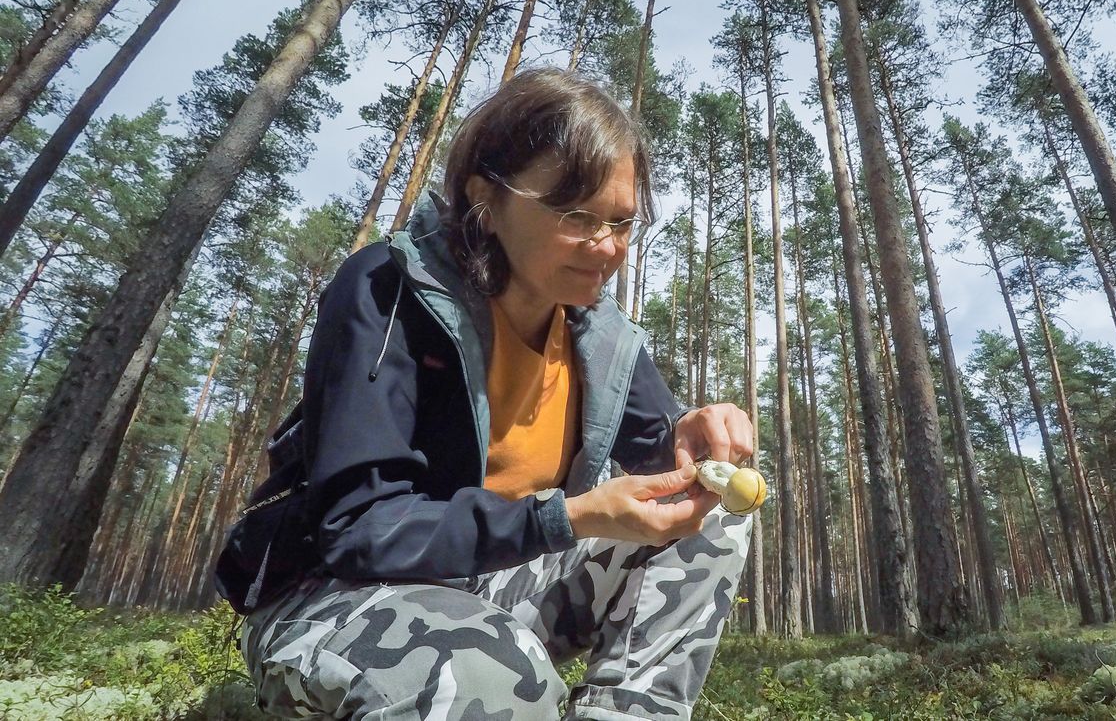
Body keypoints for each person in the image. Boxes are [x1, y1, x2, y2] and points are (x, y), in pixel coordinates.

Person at [231, 69, 754, 720]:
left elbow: (662, 458)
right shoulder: (388, 291)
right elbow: (359, 527)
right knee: (488, 676)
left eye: (622, 222)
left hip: (488, 590)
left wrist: (694, 440)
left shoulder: (598, 334)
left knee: (718, 516)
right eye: (574, 214)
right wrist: (565, 517)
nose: (607, 247)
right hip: (329, 595)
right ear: (486, 197)